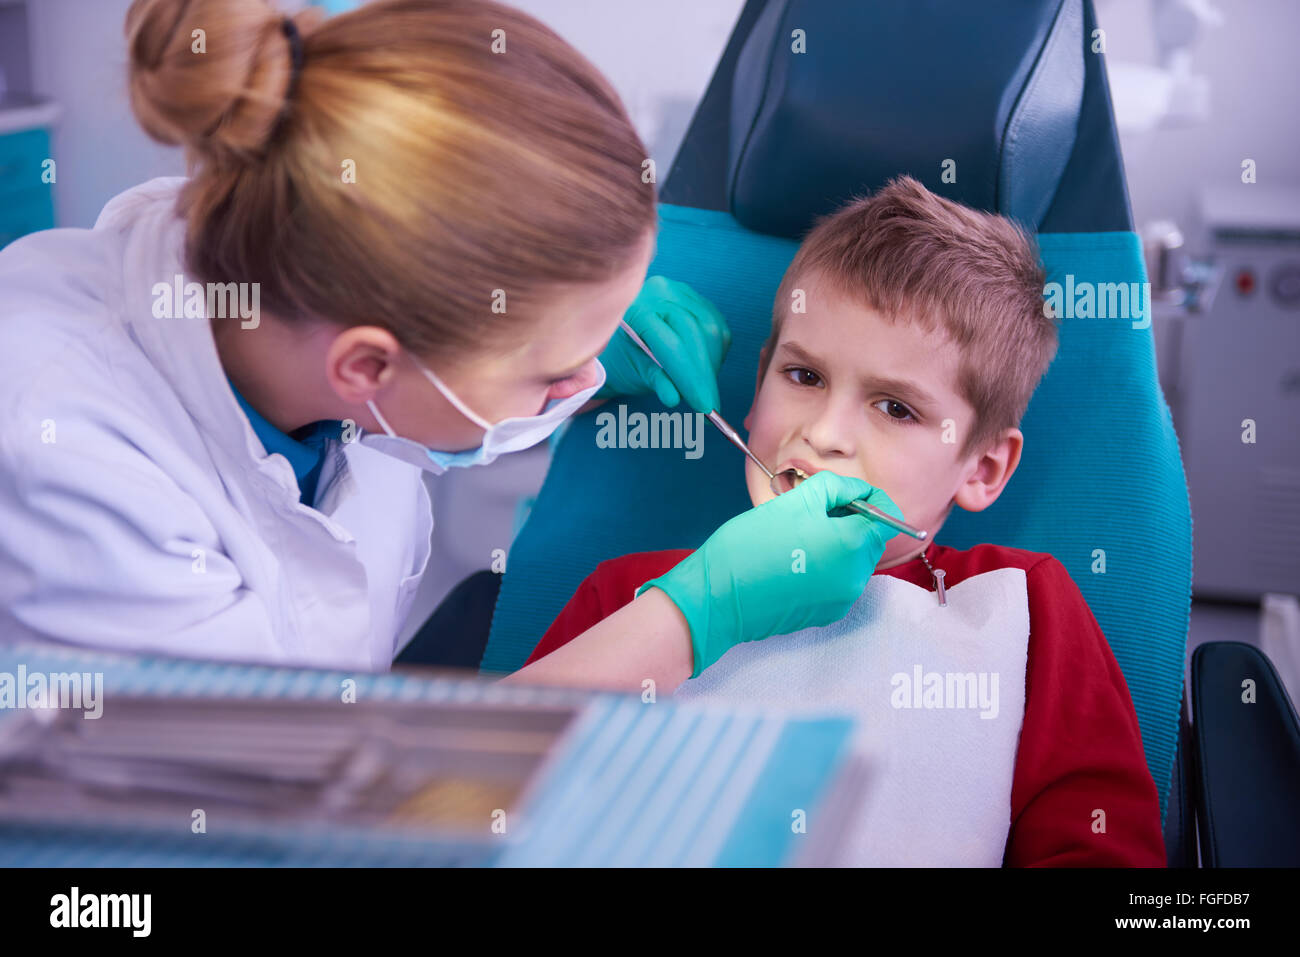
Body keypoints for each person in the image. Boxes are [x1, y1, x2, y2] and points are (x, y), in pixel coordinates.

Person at [0, 0, 897, 682]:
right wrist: (696, 617)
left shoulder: (304, 283)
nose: (585, 379)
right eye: (552, 368)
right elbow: (298, 798)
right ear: (363, 367)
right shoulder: (68, 462)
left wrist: (577, 344)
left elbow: (416, 419)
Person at [521, 177, 1167, 866]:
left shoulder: (1026, 607)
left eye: (895, 407)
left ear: (982, 468)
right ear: (759, 380)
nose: (824, 433)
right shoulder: (631, 593)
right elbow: (487, 805)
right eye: (804, 377)